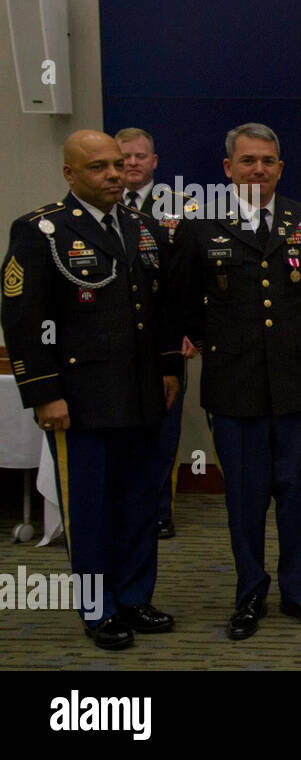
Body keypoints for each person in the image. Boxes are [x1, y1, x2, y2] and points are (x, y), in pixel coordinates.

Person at [1, 130, 181, 650]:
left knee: (140, 503)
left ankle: (135, 597)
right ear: (70, 174)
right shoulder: (43, 231)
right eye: (99, 167)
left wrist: (169, 368)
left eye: (118, 166)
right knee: (91, 508)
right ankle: (98, 608)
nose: (113, 176)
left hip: (144, 394)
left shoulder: (144, 228)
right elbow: (21, 318)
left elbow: (162, 310)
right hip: (81, 401)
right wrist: (43, 393)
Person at [172, 123, 301, 639]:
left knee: (299, 496)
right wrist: (228, 344)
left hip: (296, 383)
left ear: (280, 168)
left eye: (267, 161)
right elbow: (184, 304)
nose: (258, 169)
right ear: (228, 168)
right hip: (232, 384)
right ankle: (249, 595)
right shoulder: (200, 228)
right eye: (248, 161)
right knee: (243, 500)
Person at [115, 127, 195, 540]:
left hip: (165, 338)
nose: (131, 163)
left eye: (139, 157)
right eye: (124, 156)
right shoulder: (102, 206)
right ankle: (125, 506)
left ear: (154, 162)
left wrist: (190, 332)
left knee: (165, 430)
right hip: (115, 341)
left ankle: (160, 511)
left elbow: (191, 279)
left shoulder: (181, 208)